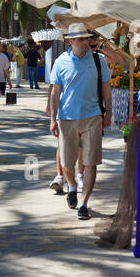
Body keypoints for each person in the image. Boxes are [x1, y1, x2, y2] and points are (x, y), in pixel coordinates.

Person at [49, 23, 112, 220]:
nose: (86, 41)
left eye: (87, 38)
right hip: (66, 118)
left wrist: (108, 112)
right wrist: (52, 118)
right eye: (81, 39)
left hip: (92, 116)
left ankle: (84, 203)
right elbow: (55, 91)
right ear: (71, 41)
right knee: (67, 163)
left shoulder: (98, 60)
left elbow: (106, 87)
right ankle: (72, 186)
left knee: (91, 162)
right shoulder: (60, 62)